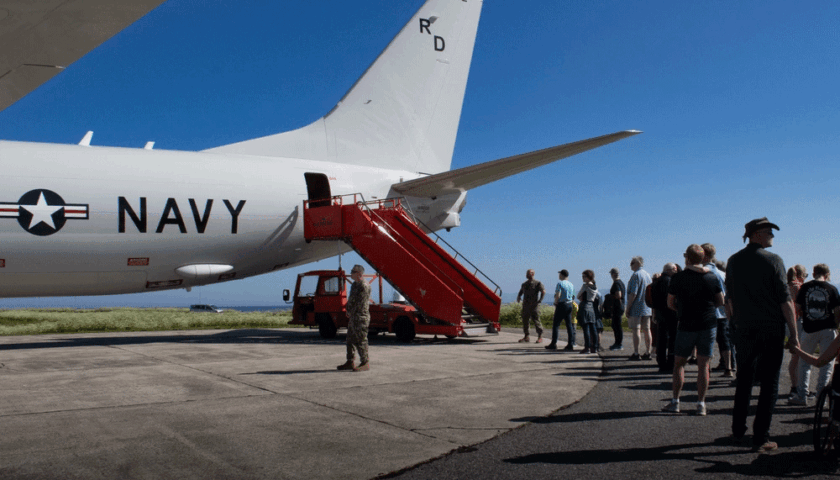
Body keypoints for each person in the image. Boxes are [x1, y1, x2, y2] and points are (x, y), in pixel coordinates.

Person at [726, 217, 798, 452]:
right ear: (755, 234)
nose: (772, 236)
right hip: (770, 328)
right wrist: (794, 334)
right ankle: (761, 437)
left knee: (744, 380)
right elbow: (785, 301)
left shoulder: (734, 260)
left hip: (744, 327)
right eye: (768, 232)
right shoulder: (773, 260)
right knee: (770, 383)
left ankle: (738, 431)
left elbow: (730, 299)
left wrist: (733, 323)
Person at [662, 245, 724, 415]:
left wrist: (681, 310)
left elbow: (670, 303)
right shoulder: (712, 277)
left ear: (687, 258)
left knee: (679, 364)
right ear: (704, 258)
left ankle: (675, 402)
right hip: (708, 323)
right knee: (704, 365)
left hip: (686, 324)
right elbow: (720, 301)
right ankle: (701, 404)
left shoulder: (678, 278)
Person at [789, 264, 840, 405]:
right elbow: (837, 311)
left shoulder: (805, 288)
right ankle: (821, 398)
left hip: (809, 328)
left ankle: (801, 396)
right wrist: (835, 325)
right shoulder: (832, 289)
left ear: (813, 273)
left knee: (804, 363)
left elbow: (797, 308)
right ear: (827, 274)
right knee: (827, 365)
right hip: (828, 330)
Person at [702, 243, 733, 377]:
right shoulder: (722, 274)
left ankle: (706, 368)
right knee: (724, 342)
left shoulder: (703, 272)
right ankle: (729, 368)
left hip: (707, 311)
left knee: (706, 341)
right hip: (723, 312)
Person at [337, 264, 372, 372]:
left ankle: (365, 362)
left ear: (359, 274)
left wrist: (351, 311)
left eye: (353, 272)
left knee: (361, 340)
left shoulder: (364, 286)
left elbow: (360, 303)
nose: (351, 273)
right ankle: (350, 361)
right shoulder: (354, 285)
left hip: (361, 316)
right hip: (354, 315)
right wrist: (348, 309)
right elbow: (351, 299)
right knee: (350, 339)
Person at [785, 265, 808, 399]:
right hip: (797, 321)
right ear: (801, 275)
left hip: (788, 323)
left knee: (796, 356)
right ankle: (796, 386)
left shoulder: (787, 285)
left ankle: (796, 385)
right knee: (797, 356)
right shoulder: (797, 287)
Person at [651, 263, 678, 373]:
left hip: (659, 314)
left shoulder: (656, 281)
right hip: (670, 314)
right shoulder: (669, 281)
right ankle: (670, 363)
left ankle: (661, 363)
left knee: (661, 340)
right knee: (672, 339)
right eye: (675, 269)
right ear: (670, 270)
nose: (676, 271)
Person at [625, 256, 653, 361]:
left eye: (632, 263)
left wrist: (628, 308)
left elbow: (633, 293)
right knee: (647, 330)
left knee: (636, 329)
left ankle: (636, 352)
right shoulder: (647, 275)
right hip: (647, 307)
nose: (630, 265)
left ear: (637, 263)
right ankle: (648, 351)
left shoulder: (635, 275)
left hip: (636, 307)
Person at [548, 269, 576, 351]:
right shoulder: (571, 284)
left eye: (559, 274)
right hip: (569, 304)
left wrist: (555, 302)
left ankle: (553, 343)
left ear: (562, 275)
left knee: (556, 324)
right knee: (569, 325)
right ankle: (570, 343)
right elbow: (573, 296)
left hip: (561, 304)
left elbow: (558, 294)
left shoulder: (560, 283)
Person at [517, 269, 546, 343]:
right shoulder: (524, 284)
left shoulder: (537, 283)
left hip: (534, 305)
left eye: (528, 273)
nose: (526, 275)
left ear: (532, 274)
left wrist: (540, 300)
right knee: (525, 320)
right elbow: (521, 292)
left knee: (536, 320)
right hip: (526, 305)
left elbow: (543, 291)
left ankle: (540, 336)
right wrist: (519, 297)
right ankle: (526, 336)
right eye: (526, 273)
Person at [577, 270, 600, 354]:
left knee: (586, 328)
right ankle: (595, 347)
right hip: (591, 306)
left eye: (584, 276)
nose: (582, 278)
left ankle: (587, 347)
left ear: (587, 277)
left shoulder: (585, 286)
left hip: (584, 305)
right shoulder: (595, 286)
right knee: (593, 328)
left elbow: (578, 295)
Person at [608, 268, 626, 350]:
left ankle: (618, 344)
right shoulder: (621, 282)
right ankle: (618, 343)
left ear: (612, 274)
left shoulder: (616, 283)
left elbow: (618, 294)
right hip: (621, 306)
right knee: (617, 325)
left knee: (616, 326)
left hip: (616, 307)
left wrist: (611, 297)